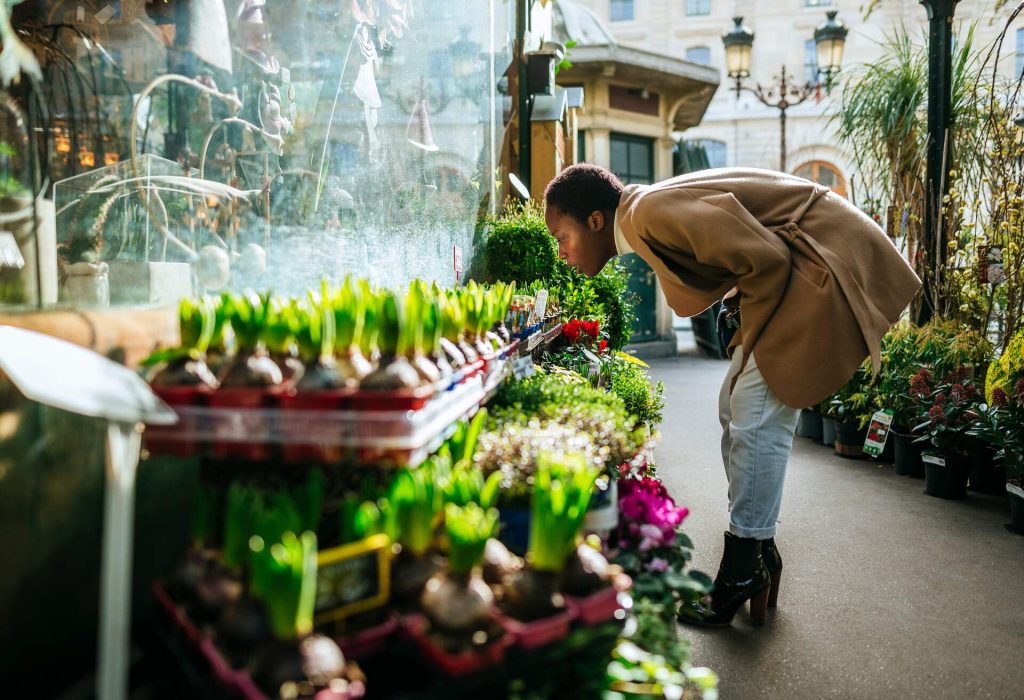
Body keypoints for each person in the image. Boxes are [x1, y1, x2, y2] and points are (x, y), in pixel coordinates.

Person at [543, 164, 920, 627]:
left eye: (562, 238)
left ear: (596, 221)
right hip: (810, 258)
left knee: (755, 417)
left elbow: (768, 259)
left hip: (821, 258)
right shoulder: (644, 210)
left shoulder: (647, 214)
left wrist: (744, 318)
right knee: (737, 410)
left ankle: (743, 571)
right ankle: (758, 555)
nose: (562, 254)